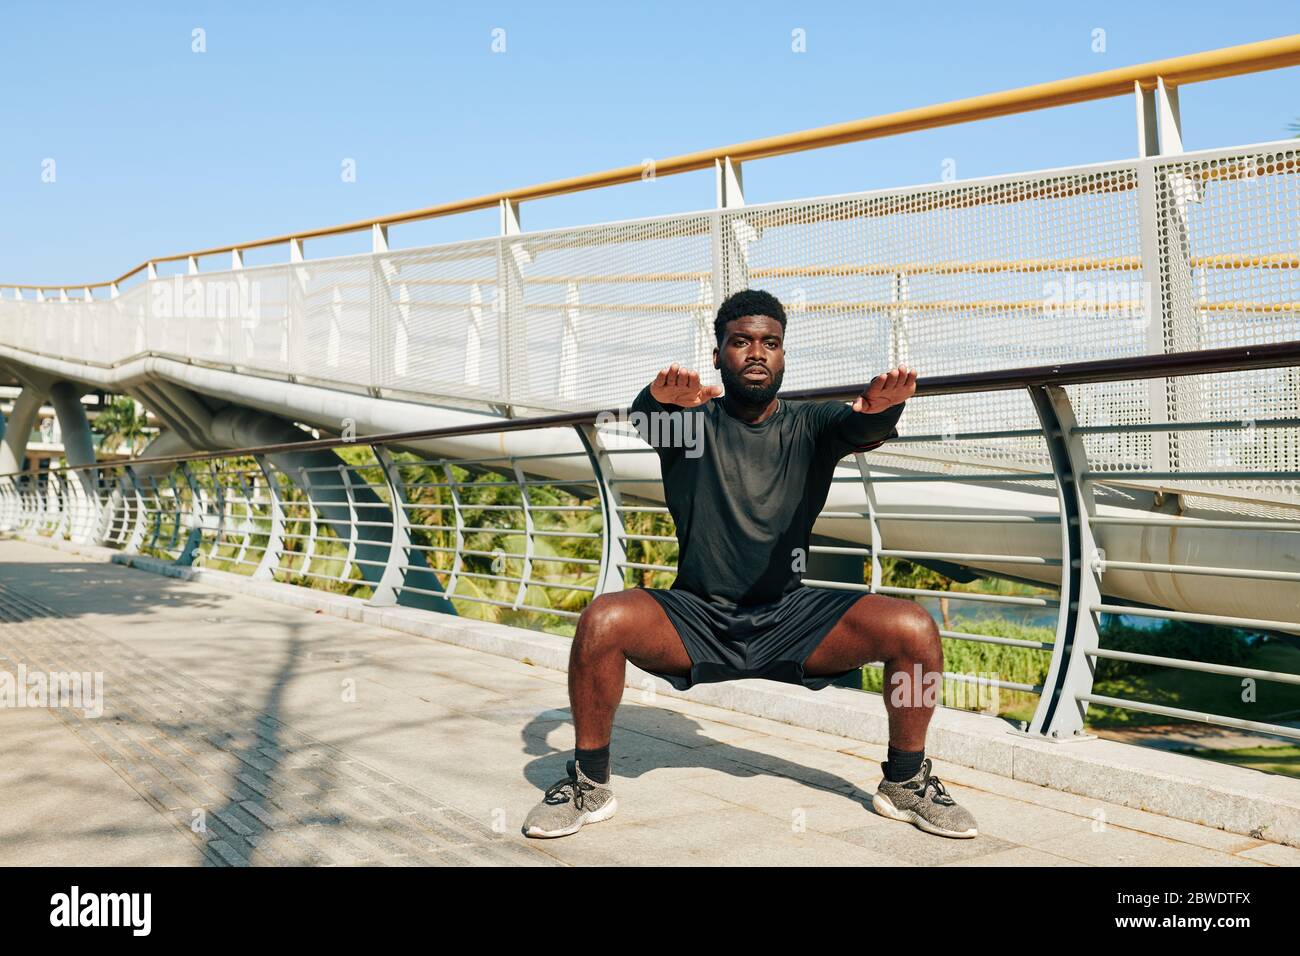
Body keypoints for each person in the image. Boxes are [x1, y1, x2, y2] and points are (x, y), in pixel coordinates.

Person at [523, 288, 977, 841]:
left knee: (916, 631)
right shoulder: (690, 425)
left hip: (791, 617)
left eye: (770, 343)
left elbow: (860, 428)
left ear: (784, 354)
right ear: (718, 355)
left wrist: (884, 409)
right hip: (696, 617)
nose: (756, 353)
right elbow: (645, 419)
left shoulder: (812, 424)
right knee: (603, 621)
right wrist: (655, 396)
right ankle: (588, 782)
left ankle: (905, 781)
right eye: (741, 342)